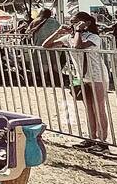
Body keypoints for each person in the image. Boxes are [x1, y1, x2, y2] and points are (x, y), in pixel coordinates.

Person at [44, 11, 110, 151]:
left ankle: (103, 141)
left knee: (99, 108)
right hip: (83, 76)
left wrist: (79, 30)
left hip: (97, 75)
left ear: (87, 23)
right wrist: (58, 31)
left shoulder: (94, 37)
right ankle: (92, 138)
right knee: (89, 109)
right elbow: (46, 45)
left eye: (76, 22)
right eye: (72, 22)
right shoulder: (69, 37)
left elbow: (78, 46)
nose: (73, 25)